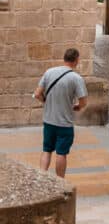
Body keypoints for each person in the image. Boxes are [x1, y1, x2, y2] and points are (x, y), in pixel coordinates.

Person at [34, 47, 88, 178]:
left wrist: (46, 101)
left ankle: (41, 178)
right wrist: (77, 107)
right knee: (61, 153)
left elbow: (37, 94)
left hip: (49, 121)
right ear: (76, 60)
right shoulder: (76, 78)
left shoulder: (49, 72)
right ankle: (60, 182)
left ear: (64, 58)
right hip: (64, 123)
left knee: (47, 150)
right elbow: (83, 101)